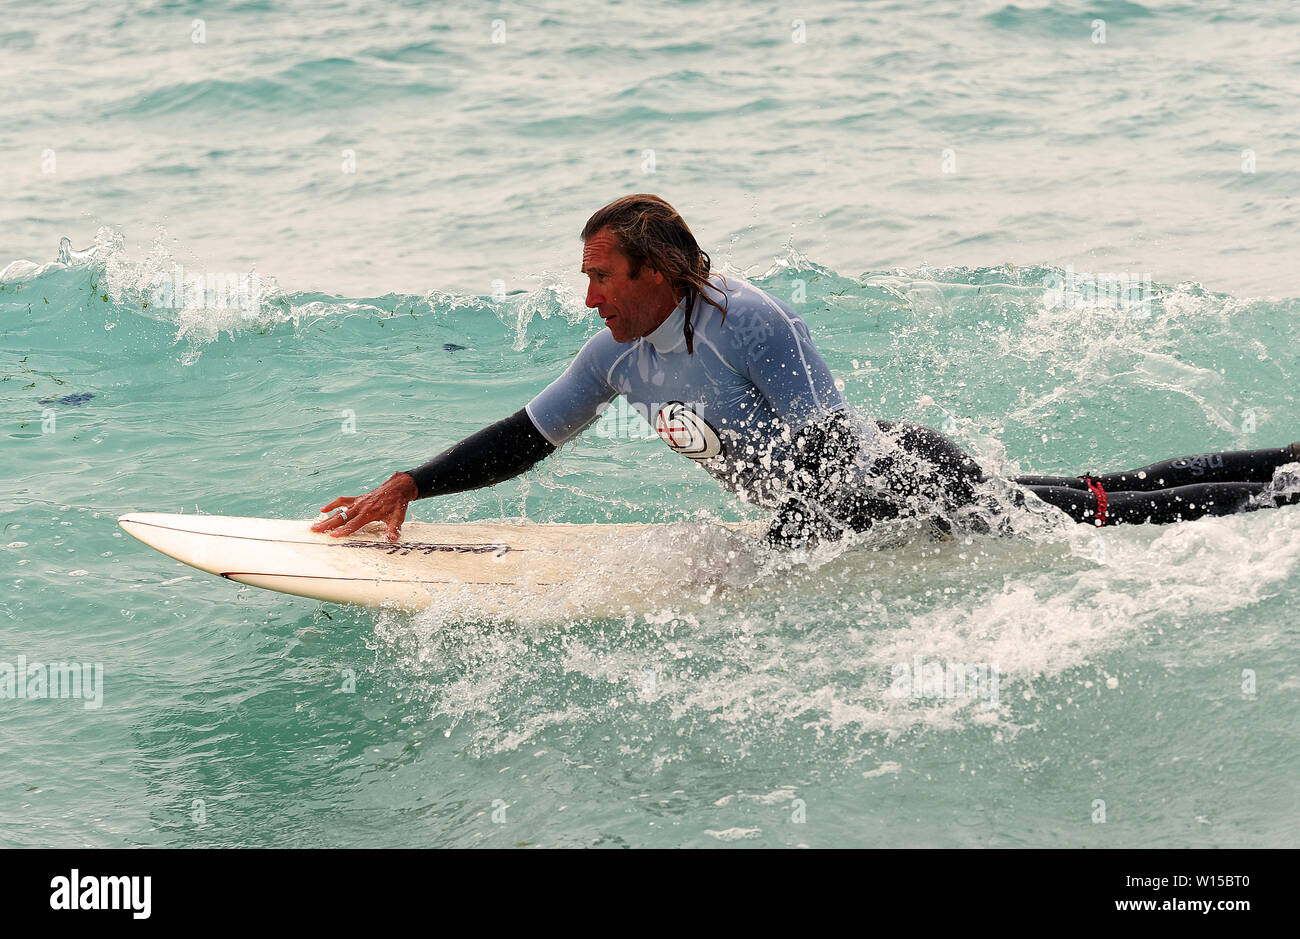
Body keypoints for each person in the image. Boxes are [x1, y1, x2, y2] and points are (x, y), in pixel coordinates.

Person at [311, 194, 1300, 546]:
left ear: (655, 272)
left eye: (600, 276)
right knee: (1087, 494)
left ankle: (1282, 486)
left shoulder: (747, 320)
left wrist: (783, 550)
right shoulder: (614, 354)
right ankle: (1288, 465)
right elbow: (528, 436)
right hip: (864, 501)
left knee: (1098, 514)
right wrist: (411, 483)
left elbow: (838, 452)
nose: (588, 298)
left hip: (909, 482)